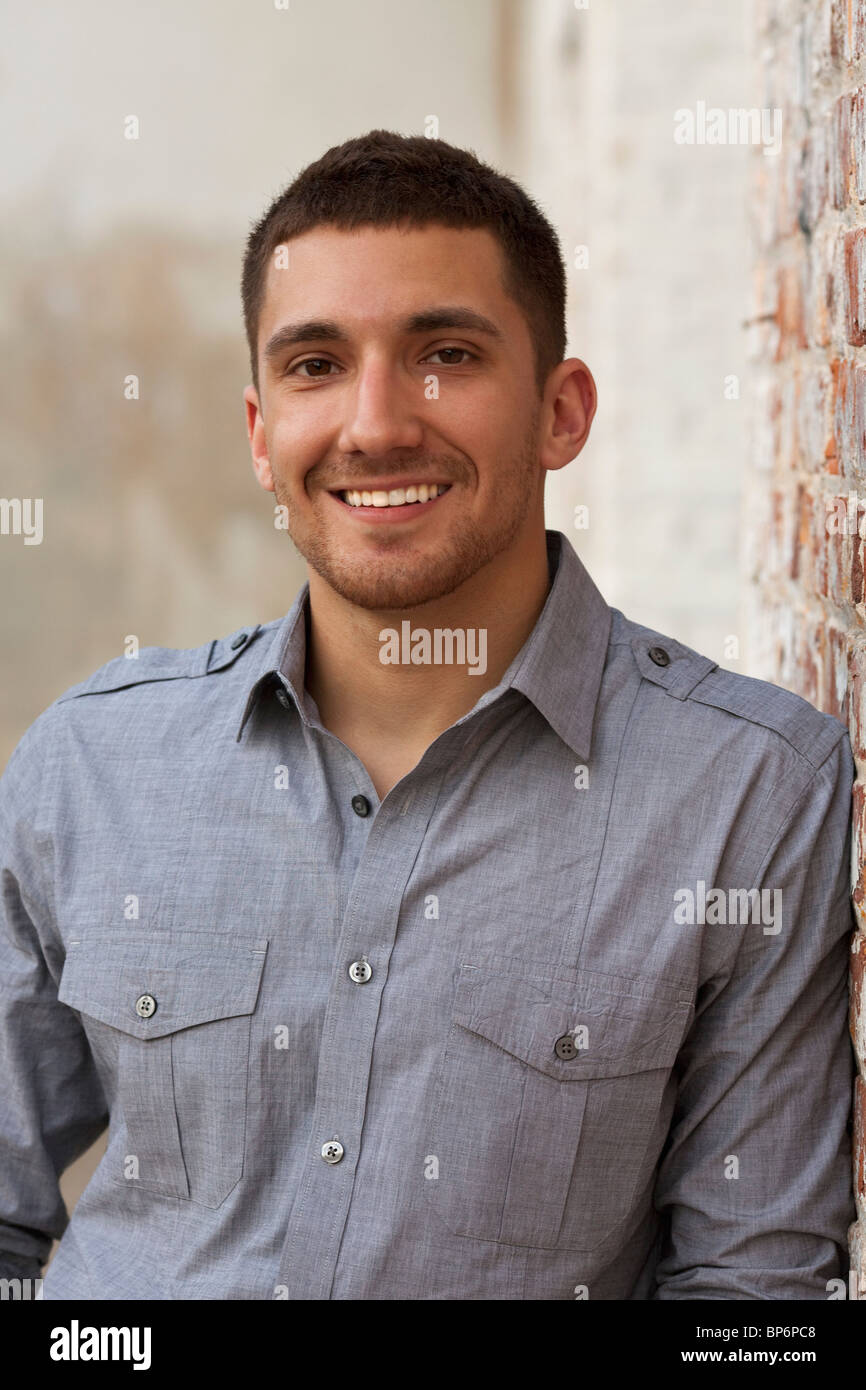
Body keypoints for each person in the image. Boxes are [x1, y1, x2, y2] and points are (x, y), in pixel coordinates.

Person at [0, 130, 855, 1300]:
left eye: (443, 352)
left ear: (560, 411)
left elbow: (751, 1298)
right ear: (260, 433)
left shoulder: (746, 792)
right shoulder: (90, 764)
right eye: (313, 365)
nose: (377, 422)